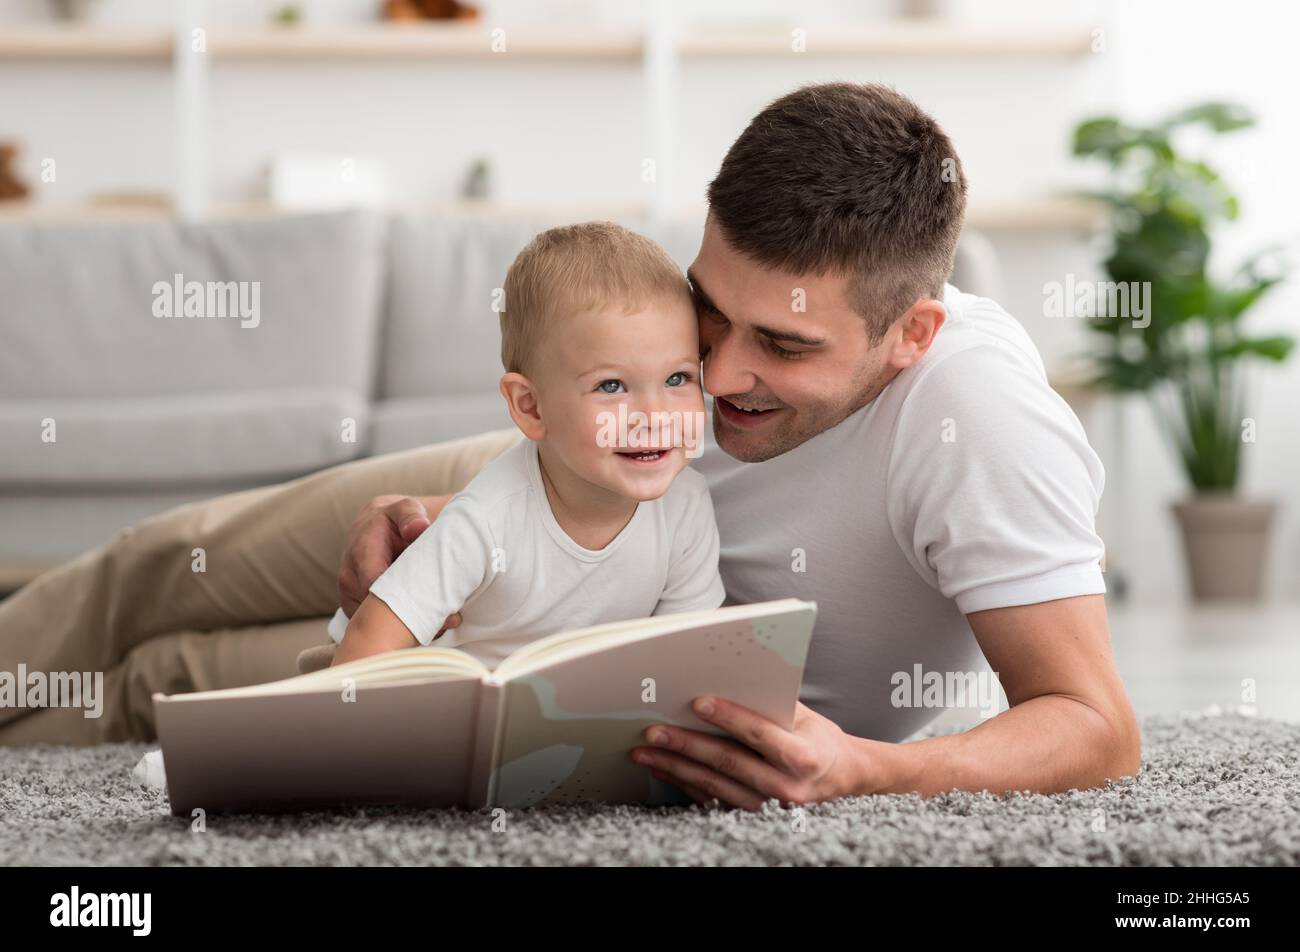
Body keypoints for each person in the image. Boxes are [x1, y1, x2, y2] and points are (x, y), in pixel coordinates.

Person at [0, 82, 1140, 812]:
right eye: (710, 308)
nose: (721, 375)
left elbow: (1095, 724)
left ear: (912, 334)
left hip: (576, 656)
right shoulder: (692, 370)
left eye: (782, 345)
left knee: (170, 683)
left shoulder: (979, 418)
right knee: (165, 560)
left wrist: (870, 765)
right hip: (525, 491)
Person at [324, 221, 724, 669]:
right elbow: (361, 658)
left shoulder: (687, 507)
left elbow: (682, 659)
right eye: (611, 386)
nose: (655, 416)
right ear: (531, 408)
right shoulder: (484, 519)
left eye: (677, 378)